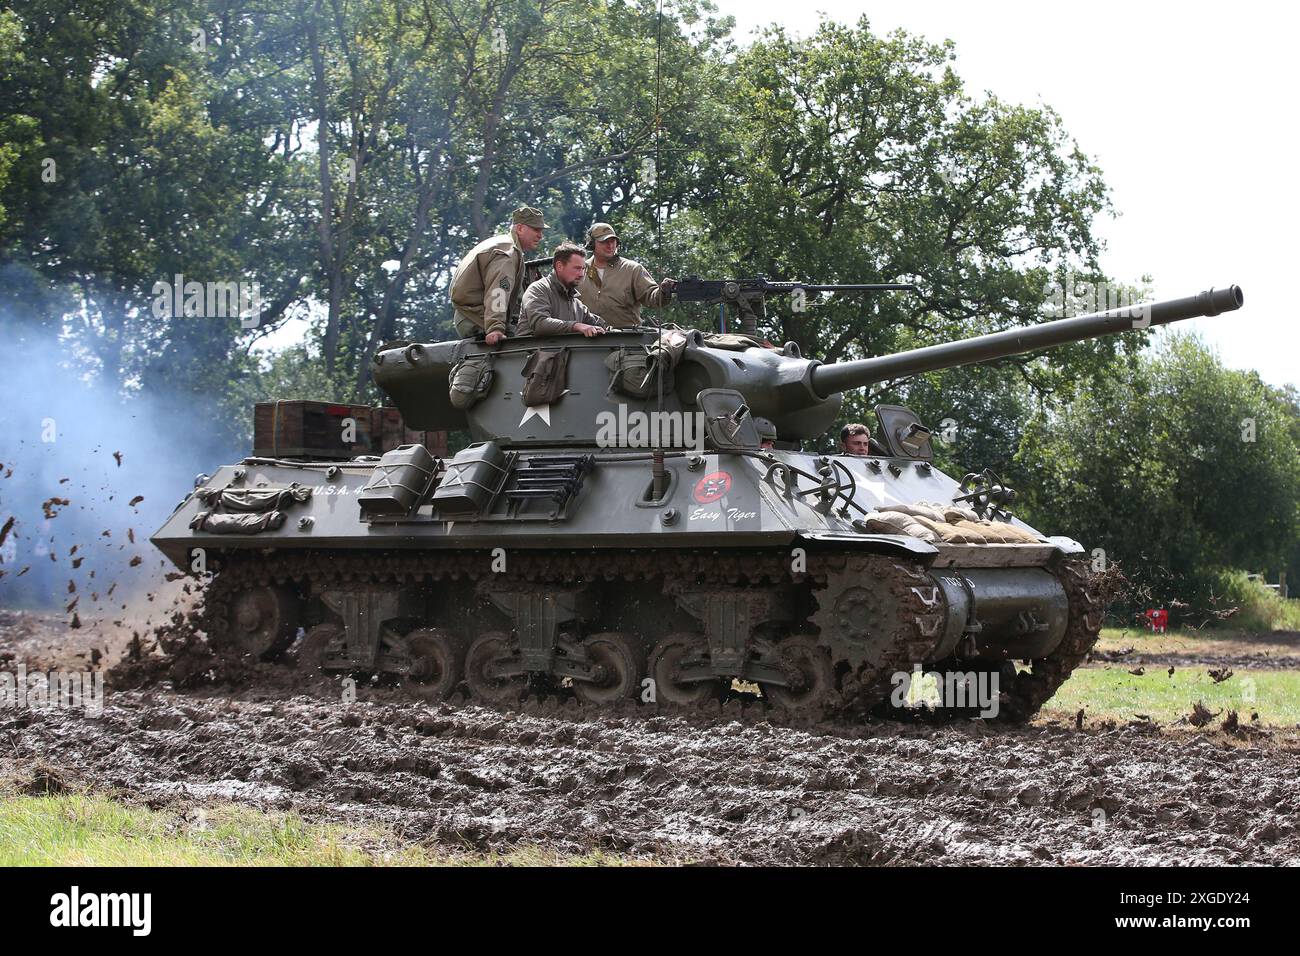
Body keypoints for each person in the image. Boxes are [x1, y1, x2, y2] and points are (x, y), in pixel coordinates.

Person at [449, 206, 546, 345]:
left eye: (541, 231)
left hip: (474, 317)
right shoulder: (507, 253)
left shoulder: (503, 245)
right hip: (478, 321)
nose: (540, 235)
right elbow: (498, 291)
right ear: (520, 228)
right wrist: (495, 328)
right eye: (536, 230)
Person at [576, 222, 676, 328]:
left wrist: (663, 291)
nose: (610, 246)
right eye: (604, 242)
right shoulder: (580, 269)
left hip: (626, 338)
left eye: (613, 241)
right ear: (592, 244)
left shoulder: (632, 269)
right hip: (585, 338)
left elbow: (651, 297)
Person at [519, 243, 610, 337]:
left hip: (562, 350)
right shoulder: (538, 290)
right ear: (559, 266)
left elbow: (599, 324)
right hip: (532, 350)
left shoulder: (576, 304)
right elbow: (540, 324)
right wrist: (576, 326)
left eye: (583, 269)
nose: (582, 274)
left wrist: (613, 331)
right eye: (577, 268)